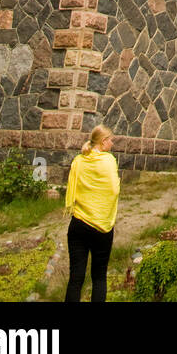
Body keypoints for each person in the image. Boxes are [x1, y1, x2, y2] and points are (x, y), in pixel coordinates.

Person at [63, 125, 120, 303]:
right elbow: (113, 189)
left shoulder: (78, 161)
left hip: (78, 223)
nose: (112, 143)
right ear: (103, 142)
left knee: (75, 278)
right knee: (99, 277)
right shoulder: (108, 160)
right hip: (101, 227)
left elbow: (74, 187)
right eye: (110, 140)